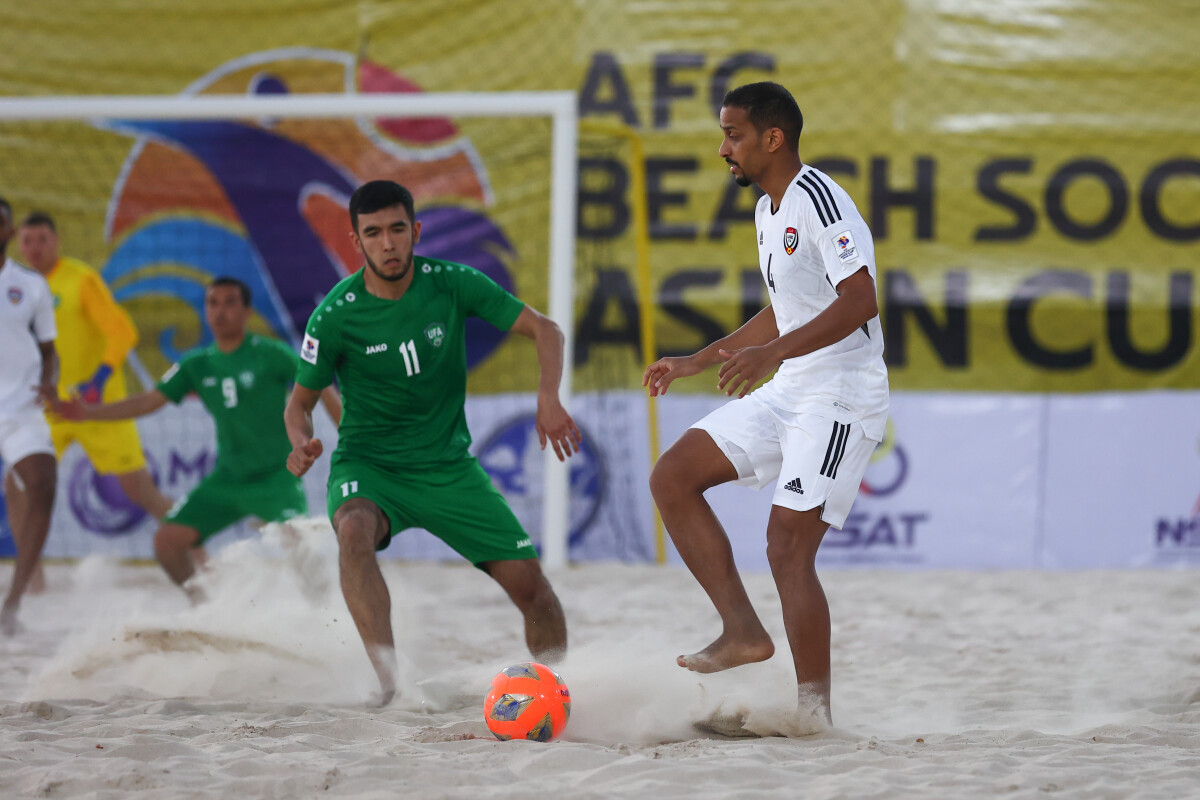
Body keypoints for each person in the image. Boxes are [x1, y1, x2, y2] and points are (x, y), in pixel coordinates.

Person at [642, 82, 889, 730]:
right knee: (672, 477)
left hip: (842, 392)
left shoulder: (820, 200)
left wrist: (772, 354)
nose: (723, 149)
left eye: (733, 135)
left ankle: (814, 716)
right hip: (792, 383)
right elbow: (787, 309)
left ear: (772, 138)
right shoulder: (766, 210)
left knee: (786, 548)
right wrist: (700, 359)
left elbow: (861, 300)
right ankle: (742, 632)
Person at [284, 180, 582, 704]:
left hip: (447, 467)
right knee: (353, 530)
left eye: (397, 229)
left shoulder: (452, 283)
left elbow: (546, 330)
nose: (388, 243)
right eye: (373, 233)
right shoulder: (334, 315)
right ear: (355, 241)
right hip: (370, 465)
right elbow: (298, 405)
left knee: (532, 589)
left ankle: (556, 691)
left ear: (416, 231)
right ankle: (391, 686)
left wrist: (548, 397)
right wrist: (300, 441)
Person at [57, 277, 341, 600]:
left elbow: (321, 386)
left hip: (276, 477)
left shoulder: (272, 353)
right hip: (227, 479)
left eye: (230, 303)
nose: (220, 311)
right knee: (166, 542)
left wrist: (349, 433)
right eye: (212, 303)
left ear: (247, 312)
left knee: (299, 544)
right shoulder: (197, 364)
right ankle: (205, 608)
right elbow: (147, 402)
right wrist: (87, 413)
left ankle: (326, 612)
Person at [16, 212, 172, 535]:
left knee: (140, 491)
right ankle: (30, 568)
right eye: (27, 241)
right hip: (46, 408)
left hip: (95, 406)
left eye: (42, 240)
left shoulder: (80, 280)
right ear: (19, 244)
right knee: (18, 486)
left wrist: (99, 380)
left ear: (56, 242)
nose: (35, 248)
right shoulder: (17, 288)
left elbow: (123, 332)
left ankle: (199, 553)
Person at [0, 197, 60, 635]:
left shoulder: (31, 285)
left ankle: (13, 602)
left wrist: (50, 383)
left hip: (18, 407)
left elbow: (48, 350)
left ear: (9, 231)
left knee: (43, 483)